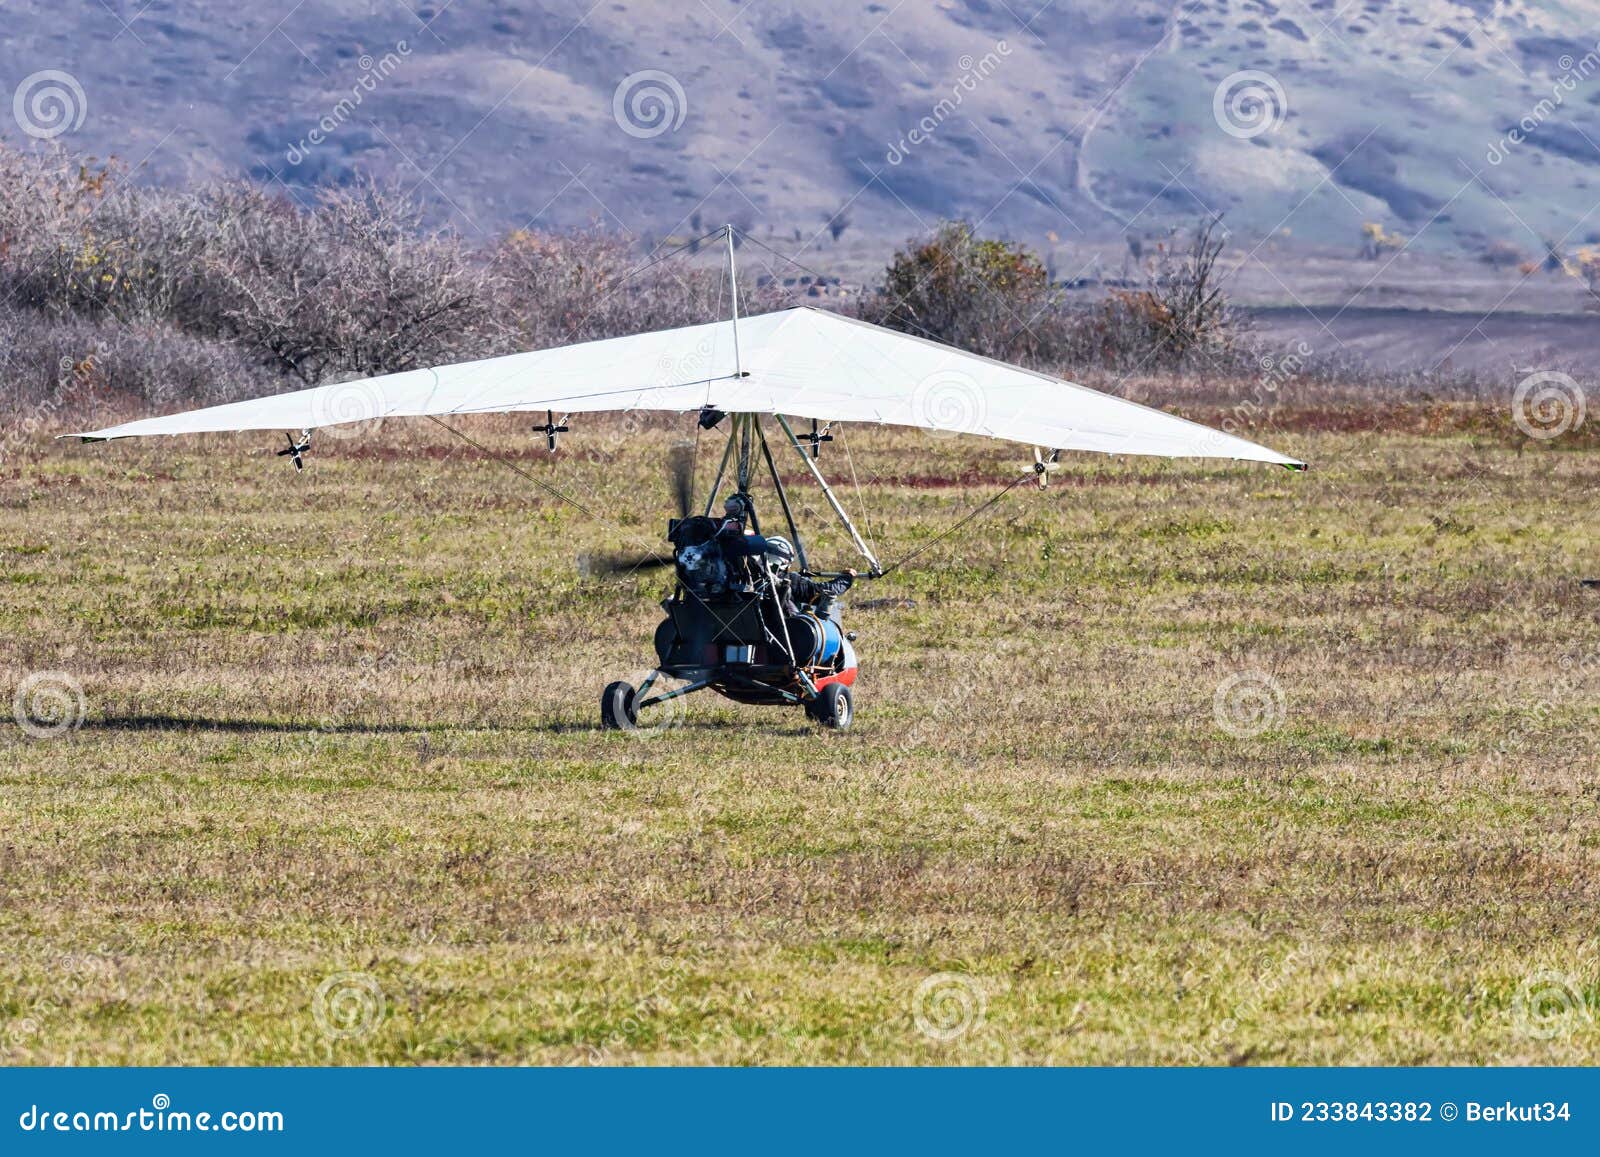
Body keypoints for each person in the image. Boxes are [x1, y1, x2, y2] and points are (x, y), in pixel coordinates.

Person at [761, 535, 856, 616]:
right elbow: (827, 591)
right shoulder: (791, 581)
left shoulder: (749, 574)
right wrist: (847, 578)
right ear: (787, 564)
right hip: (779, 633)